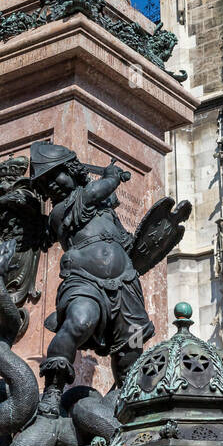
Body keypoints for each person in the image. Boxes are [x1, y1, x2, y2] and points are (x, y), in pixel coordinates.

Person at [29, 142, 154, 417]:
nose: (52, 187)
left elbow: (129, 243)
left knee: (132, 345)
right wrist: (111, 176)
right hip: (85, 281)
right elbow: (101, 188)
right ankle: (52, 392)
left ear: (72, 170)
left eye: (55, 176)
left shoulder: (105, 211)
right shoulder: (64, 209)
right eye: (46, 184)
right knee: (79, 322)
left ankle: (125, 398)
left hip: (125, 284)